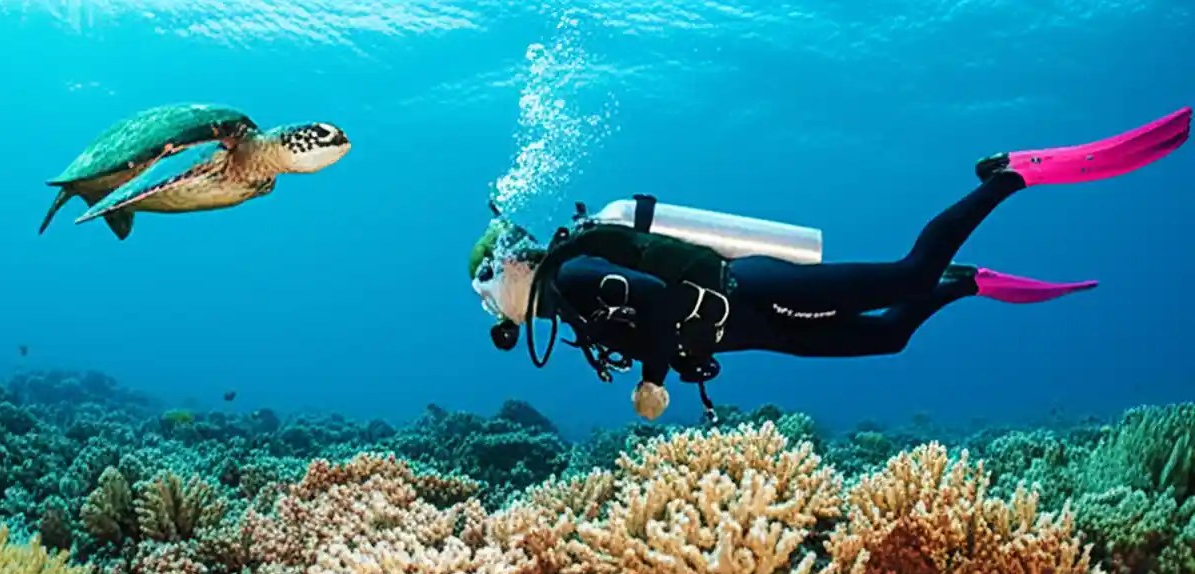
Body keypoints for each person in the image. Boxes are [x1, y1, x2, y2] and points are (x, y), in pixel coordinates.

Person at [469, 107, 1191, 422]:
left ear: (512, 265)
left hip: (750, 293)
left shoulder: (571, 276)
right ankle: (966, 283)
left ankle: (1006, 176)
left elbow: (657, 299)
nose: (486, 302)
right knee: (890, 334)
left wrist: (654, 381)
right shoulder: (566, 307)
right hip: (756, 328)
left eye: (483, 283)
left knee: (907, 275)